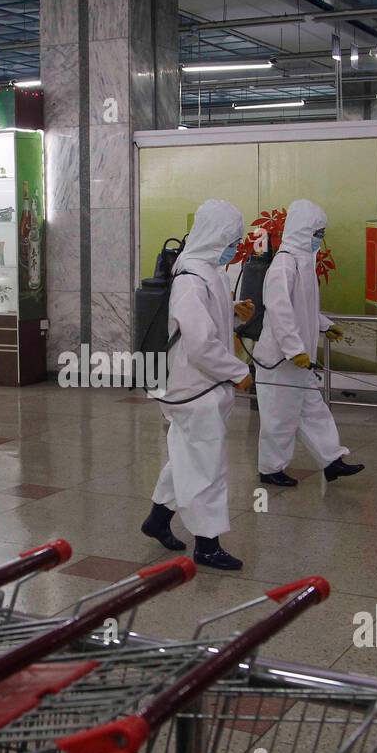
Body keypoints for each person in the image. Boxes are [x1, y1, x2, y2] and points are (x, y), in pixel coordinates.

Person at [141, 199, 253, 571]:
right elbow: (201, 341)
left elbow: (209, 329)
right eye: (232, 240)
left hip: (198, 384)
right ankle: (207, 544)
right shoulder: (191, 276)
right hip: (193, 389)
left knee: (188, 455)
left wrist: (234, 313)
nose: (236, 247)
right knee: (207, 465)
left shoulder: (208, 272)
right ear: (216, 236)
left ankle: (158, 519)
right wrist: (237, 371)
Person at [252, 199, 363, 488]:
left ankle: (332, 460)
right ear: (303, 230)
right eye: (317, 233)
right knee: (279, 416)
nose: (320, 239)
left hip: (298, 359)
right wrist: (294, 350)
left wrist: (325, 326)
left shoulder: (303, 263)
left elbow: (304, 308)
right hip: (279, 360)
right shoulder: (284, 265)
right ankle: (270, 468)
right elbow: (279, 312)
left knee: (314, 409)